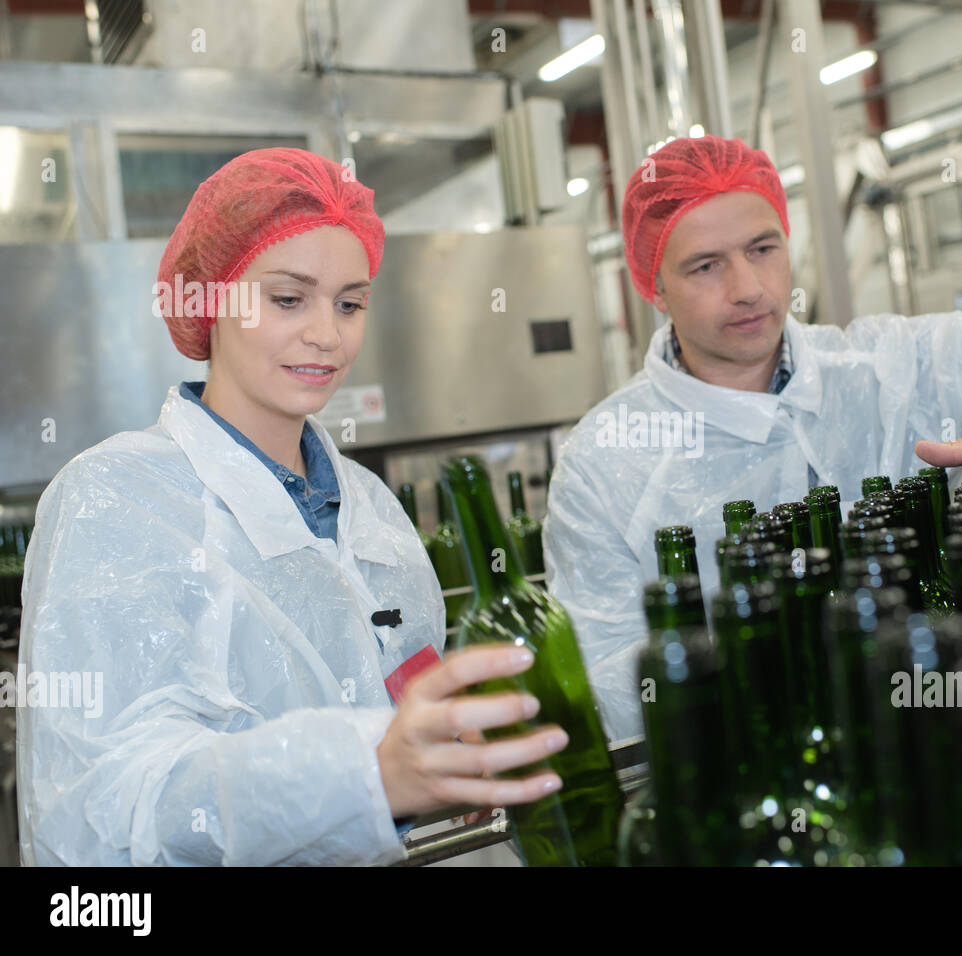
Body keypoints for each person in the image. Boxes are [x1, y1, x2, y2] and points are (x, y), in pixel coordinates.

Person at [543, 135, 962, 744]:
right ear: (652, 285)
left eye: (763, 249)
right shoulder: (604, 462)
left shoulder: (886, 368)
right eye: (706, 266)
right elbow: (603, 682)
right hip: (753, 752)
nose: (747, 289)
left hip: (943, 727)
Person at [17, 148, 565, 866]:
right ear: (210, 299)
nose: (327, 336)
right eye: (287, 299)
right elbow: (104, 812)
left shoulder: (372, 509)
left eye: (350, 303)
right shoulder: (112, 501)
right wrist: (361, 774)